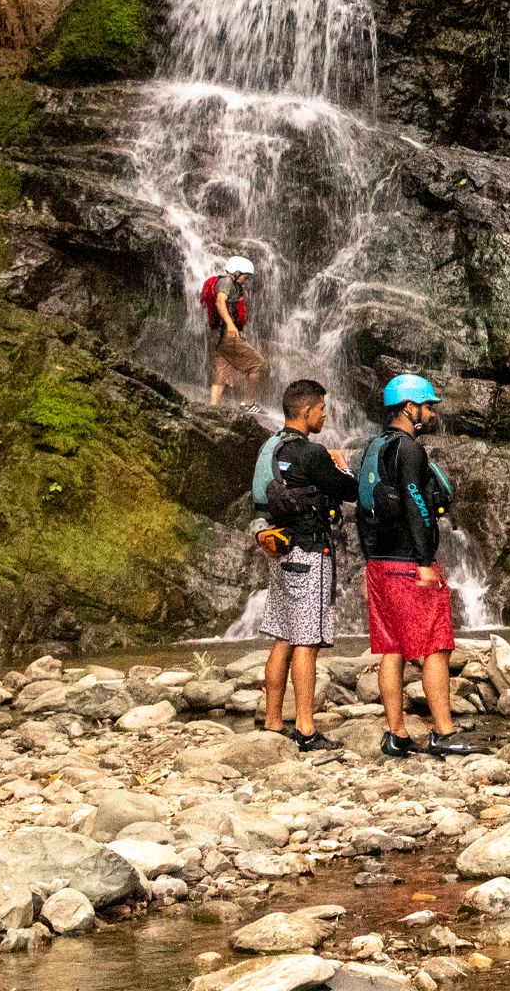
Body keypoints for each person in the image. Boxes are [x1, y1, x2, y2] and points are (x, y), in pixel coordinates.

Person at [357, 372, 477, 756]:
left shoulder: (375, 446)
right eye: (428, 406)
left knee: (392, 648)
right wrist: (425, 560)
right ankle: (443, 732)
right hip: (409, 563)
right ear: (409, 407)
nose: (433, 414)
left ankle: (397, 734)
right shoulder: (409, 449)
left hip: (379, 563)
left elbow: (363, 508)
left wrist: (370, 560)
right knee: (436, 647)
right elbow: (416, 504)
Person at [253, 378, 358, 751]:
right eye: (323, 409)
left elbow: (258, 501)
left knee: (283, 636)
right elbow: (351, 491)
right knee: (306, 641)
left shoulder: (270, 448)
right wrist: (342, 465)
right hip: (311, 554)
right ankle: (306, 728)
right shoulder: (312, 454)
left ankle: (272, 721)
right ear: (308, 410)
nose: (325, 416)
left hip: (280, 552)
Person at [204, 255, 266, 408]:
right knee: (258, 364)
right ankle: (248, 404)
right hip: (227, 335)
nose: (246, 280)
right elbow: (220, 301)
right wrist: (231, 324)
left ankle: (212, 409)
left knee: (221, 374)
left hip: (217, 336)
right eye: (245, 276)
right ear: (237, 272)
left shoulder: (227, 283)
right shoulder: (226, 282)